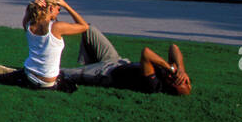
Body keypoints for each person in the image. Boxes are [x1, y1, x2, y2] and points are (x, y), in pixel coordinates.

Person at [59, 24, 192, 96]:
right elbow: (174, 47)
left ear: (172, 85)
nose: (175, 75)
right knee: (90, 30)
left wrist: (170, 68)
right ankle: (89, 65)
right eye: (185, 79)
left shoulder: (154, 85)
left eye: (179, 80)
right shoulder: (170, 74)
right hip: (117, 61)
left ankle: (87, 70)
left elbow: (146, 53)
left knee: (63, 73)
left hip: (106, 73)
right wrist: (180, 68)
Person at [0, 0, 88, 90]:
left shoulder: (29, 24)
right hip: (47, 83)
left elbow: (28, 13)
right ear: (51, 8)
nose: (58, 12)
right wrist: (65, 4)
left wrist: (33, 6)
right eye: (59, 9)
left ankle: (2, 71)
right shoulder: (56, 27)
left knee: (2, 77)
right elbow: (84, 26)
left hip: (28, 76)